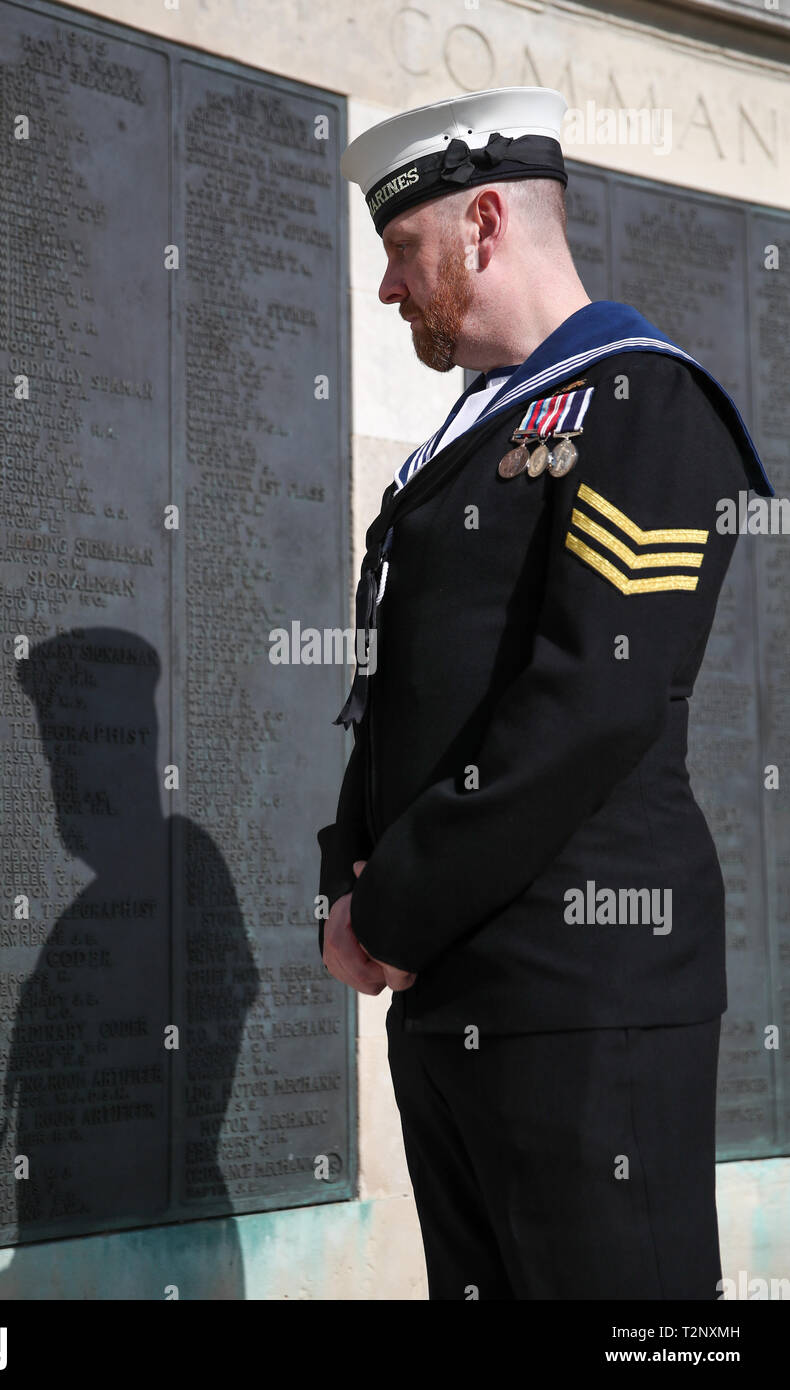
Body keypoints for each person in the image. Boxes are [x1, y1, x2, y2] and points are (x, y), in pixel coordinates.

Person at [316, 86, 773, 1300]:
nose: (387, 289)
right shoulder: (465, 442)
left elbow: (591, 704)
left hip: (583, 999)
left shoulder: (643, 402)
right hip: (455, 995)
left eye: (402, 253)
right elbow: (403, 698)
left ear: (479, 224)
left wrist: (391, 908)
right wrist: (346, 870)